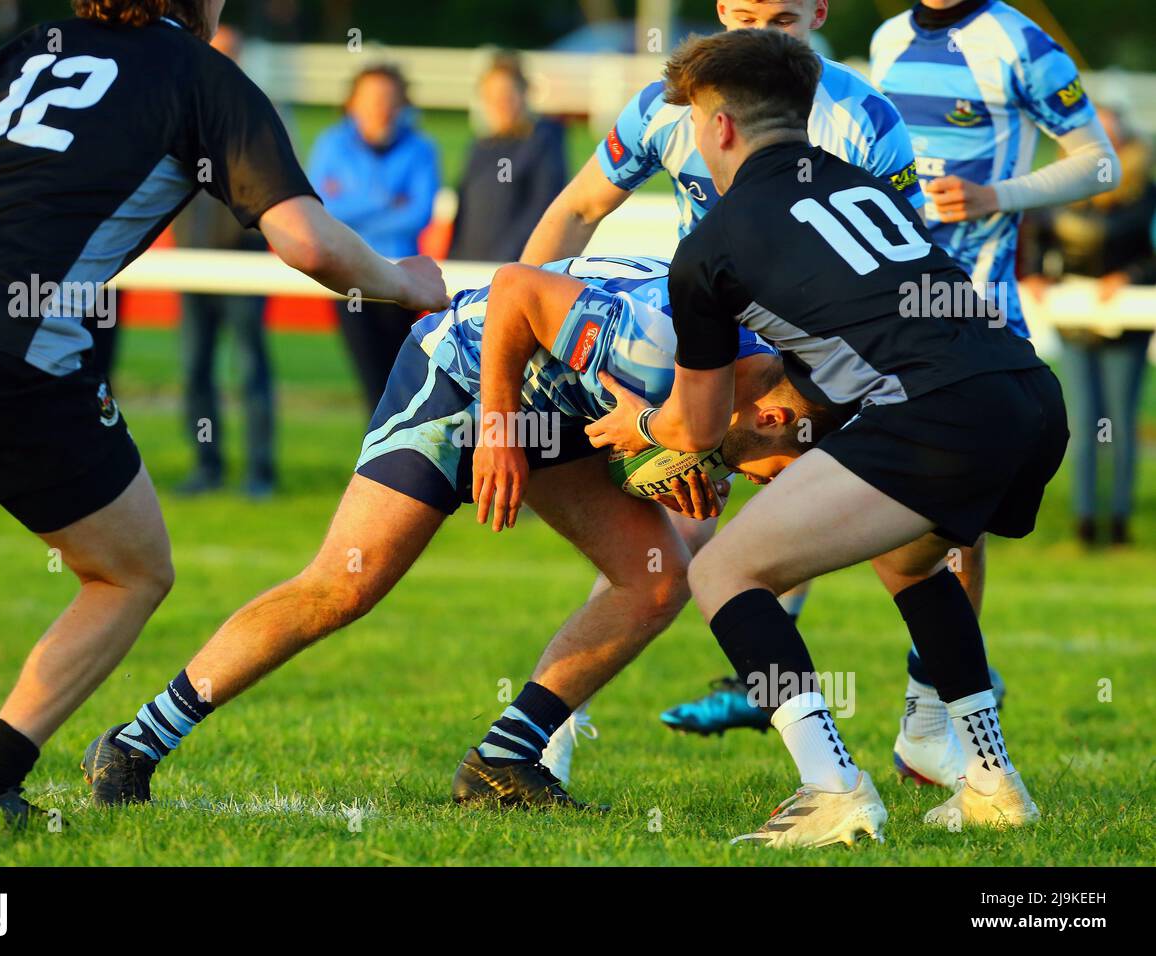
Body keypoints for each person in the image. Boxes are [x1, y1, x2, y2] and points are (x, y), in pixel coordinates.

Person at [0, 0, 447, 823]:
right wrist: (402, 280)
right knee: (131, 572)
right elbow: (307, 243)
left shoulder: (36, 47)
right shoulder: (206, 80)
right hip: (10, 344)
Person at [79, 255, 838, 808]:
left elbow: (637, 417)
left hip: (550, 401)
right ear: (769, 415)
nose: (761, 485)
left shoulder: (736, 377)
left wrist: (673, 458)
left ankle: (504, 761)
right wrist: (502, 427)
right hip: (466, 371)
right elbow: (515, 290)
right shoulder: (657, 349)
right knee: (344, 585)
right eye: (775, 468)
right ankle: (135, 742)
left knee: (656, 577)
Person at [588, 30, 1066, 846]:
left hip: (938, 410)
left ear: (722, 128)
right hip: (1027, 394)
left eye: (697, 120)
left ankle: (833, 787)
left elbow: (694, 426)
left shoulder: (710, 245)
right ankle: (991, 778)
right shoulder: (856, 182)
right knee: (911, 561)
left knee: (729, 570)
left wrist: (632, 425)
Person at [518, 0, 950, 788]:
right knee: (669, 540)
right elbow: (580, 206)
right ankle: (555, 723)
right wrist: (520, 337)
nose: (758, 35)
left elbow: (899, 265)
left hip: (822, 363)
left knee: (918, 533)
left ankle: (929, 722)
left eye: (781, 17)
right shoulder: (669, 104)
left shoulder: (864, 120)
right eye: (744, 14)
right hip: (715, 348)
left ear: (819, 12)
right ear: (720, 10)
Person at [870, 0, 1118, 775]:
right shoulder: (884, 42)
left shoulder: (1019, 42)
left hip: (977, 313)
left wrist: (995, 198)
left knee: (958, 519)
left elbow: (1100, 162)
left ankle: (930, 711)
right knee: (829, 483)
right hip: (882, 311)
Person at [1021, 106, 1156, 547]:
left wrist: (1128, 278)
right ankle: (1083, 520)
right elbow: (1037, 234)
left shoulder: (1144, 192)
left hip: (1126, 320)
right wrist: (1039, 273)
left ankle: (1118, 520)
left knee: (1118, 422)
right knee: (1083, 421)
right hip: (1075, 316)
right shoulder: (1063, 186)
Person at [173, 25, 278, 498]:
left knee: (250, 365)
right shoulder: (179, 110)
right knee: (195, 368)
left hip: (242, 258)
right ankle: (207, 466)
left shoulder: (256, 112)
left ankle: (259, 471)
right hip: (193, 260)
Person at [307, 64, 440, 411]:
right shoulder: (331, 144)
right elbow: (321, 211)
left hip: (401, 278)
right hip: (348, 275)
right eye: (371, 98)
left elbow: (417, 216)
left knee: (398, 383)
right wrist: (384, 200)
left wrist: (353, 207)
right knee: (371, 383)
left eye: (388, 98)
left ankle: (395, 460)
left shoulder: (421, 148)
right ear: (352, 102)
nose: (380, 106)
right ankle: (378, 461)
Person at [447, 53, 567, 262]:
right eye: (492, 96)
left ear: (524, 93)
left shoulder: (542, 142)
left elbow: (542, 211)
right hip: (468, 267)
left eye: (508, 94)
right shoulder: (480, 147)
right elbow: (463, 213)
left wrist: (505, 262)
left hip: (514, 268)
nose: (500, 103)